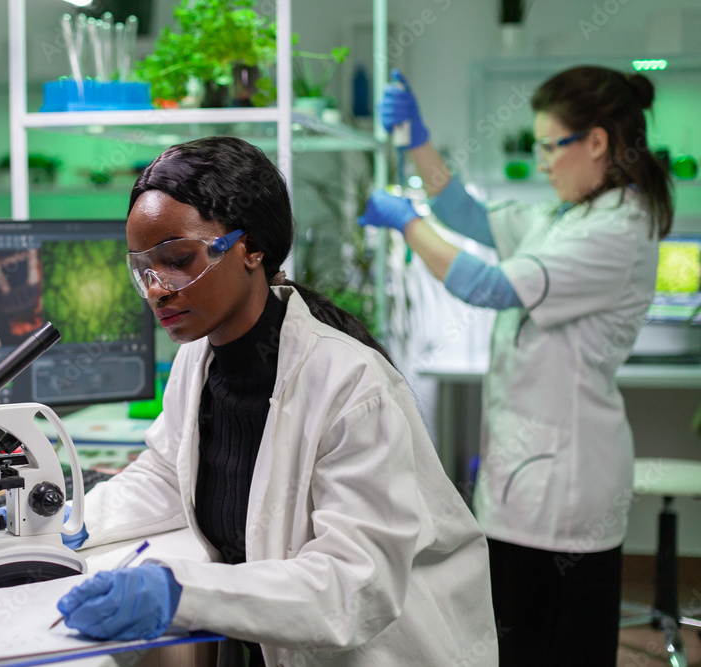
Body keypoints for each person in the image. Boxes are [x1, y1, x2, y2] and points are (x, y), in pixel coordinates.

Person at [54, 136, 497, 666]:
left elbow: (351, 587)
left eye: (176, 260)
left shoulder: (350, 385)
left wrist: (182, 593)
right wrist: (58, 523)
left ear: (251, 248)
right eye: (143, 270)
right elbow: (167, 474)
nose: (156, 289)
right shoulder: (199, 359)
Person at [360, 67, 673, 666]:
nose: (542, 162)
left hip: (565, 494)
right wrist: (416, 141)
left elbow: (488, 285)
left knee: (555, 650)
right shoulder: (571, 214)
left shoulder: (615, 228)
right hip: (524, 486)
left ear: (598, 143)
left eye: (550, 146)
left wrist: (407, 221)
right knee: (514, 646)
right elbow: (469, 214)